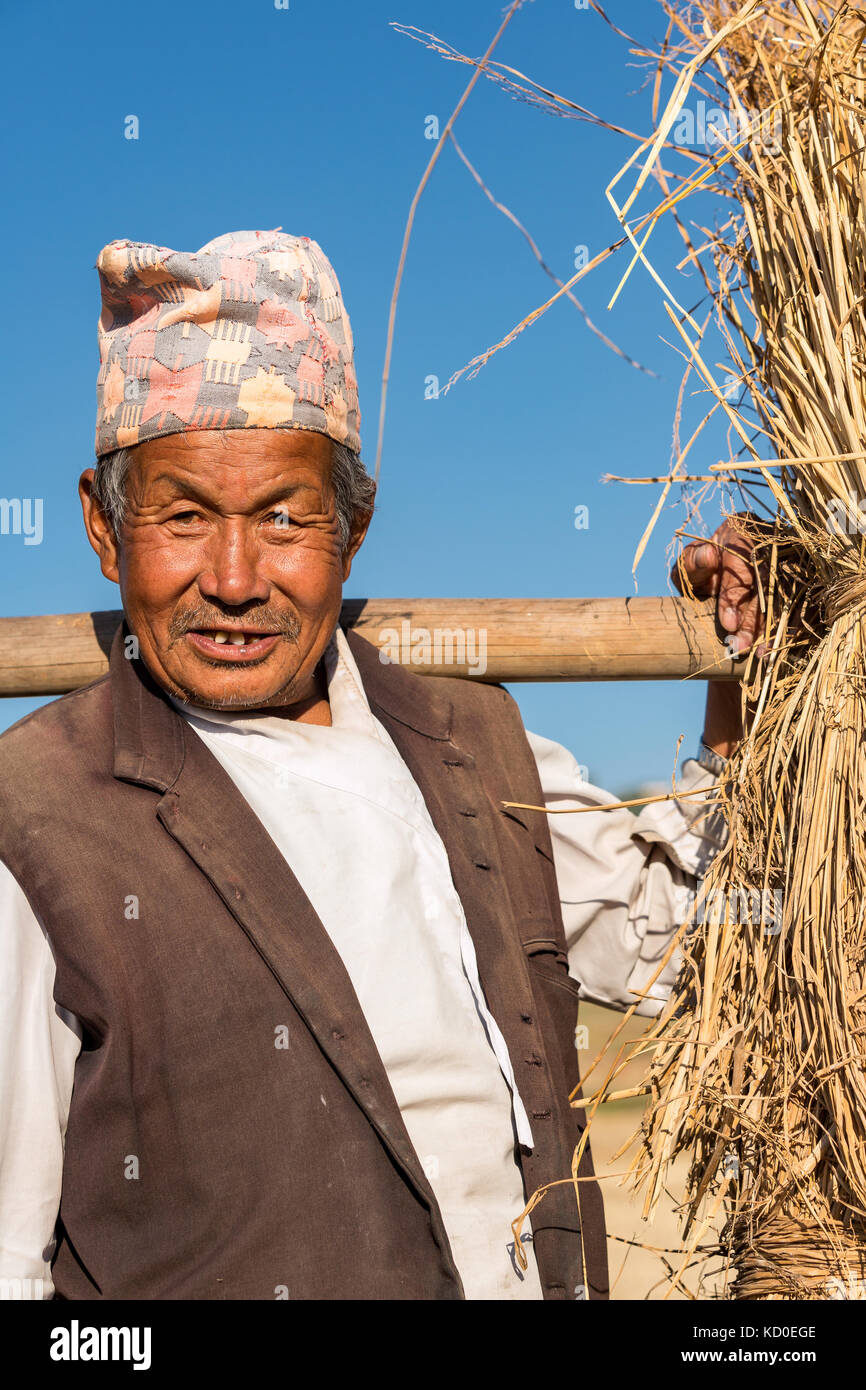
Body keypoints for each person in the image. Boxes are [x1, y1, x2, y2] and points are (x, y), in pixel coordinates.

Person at [0, 230, 757, 1301]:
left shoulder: (473, 746)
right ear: (100, 525)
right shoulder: (34, 823)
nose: (231, 577)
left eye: (283, 518)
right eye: (180, 517)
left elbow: (688, 946)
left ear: (353, 526)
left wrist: (742, 671)